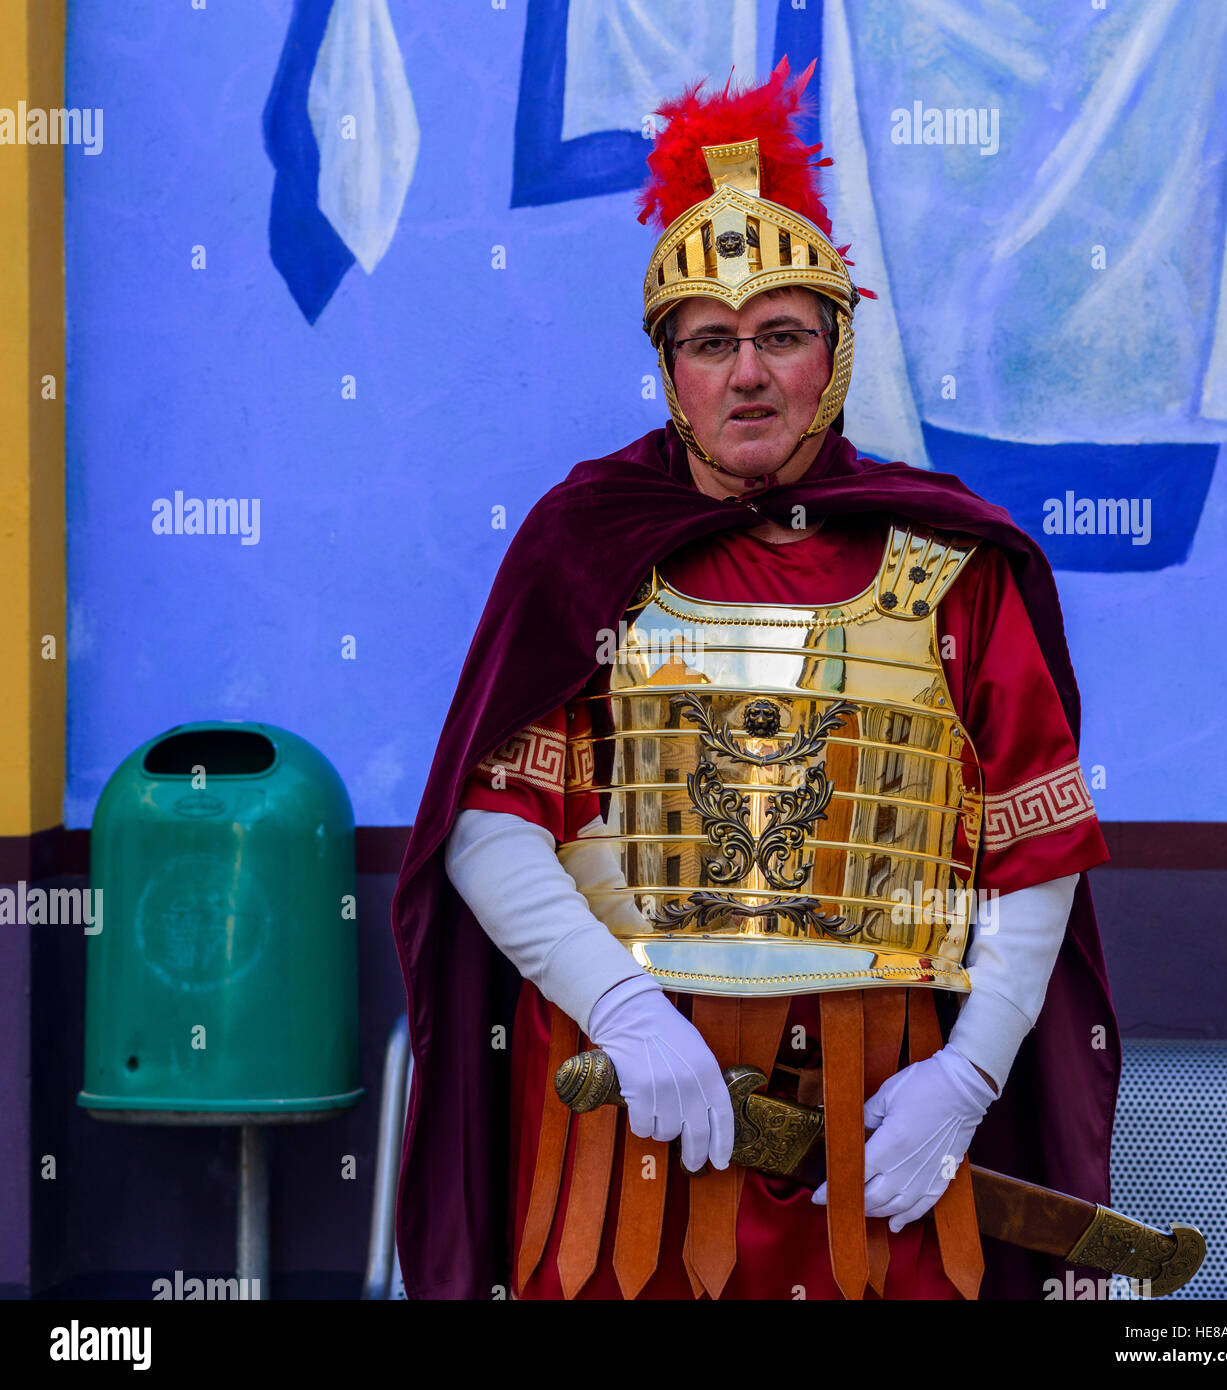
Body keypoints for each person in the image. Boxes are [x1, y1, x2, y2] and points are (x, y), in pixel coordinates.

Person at [390, 60, 1119, 1301]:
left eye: (781, 335)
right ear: (667, 367)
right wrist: (622, 1011)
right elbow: (490, 826)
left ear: (833, 352)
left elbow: (1029, 848)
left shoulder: (947, 559)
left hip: (884, 1119)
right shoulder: (585, 547)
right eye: (709, 342)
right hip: (633, 1117)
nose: (745, 374)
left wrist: (972, 1076)